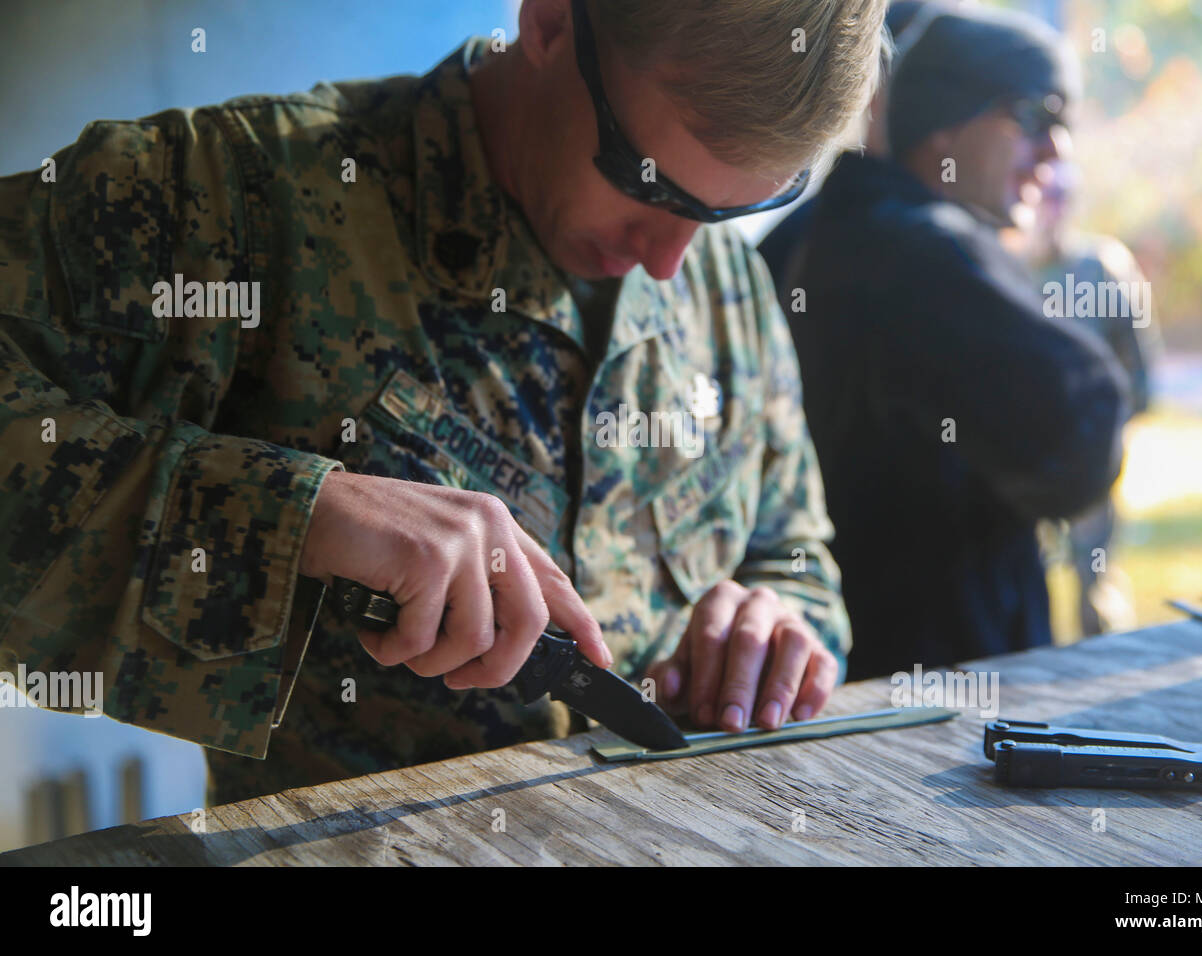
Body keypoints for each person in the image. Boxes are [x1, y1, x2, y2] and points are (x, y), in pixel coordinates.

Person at [0, 0, 885, 804]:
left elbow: (792, 549)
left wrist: (783, 623)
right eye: (647, 181)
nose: (671, 263)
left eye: (738, 210)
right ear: (547, 22)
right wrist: (301, 515)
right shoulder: (236, 202)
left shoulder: (727, 286)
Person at [760, 3, 1130, 681]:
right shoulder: (922, 248)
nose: (1057, 151)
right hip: (938, 691)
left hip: (864, 669)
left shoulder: (828, 230)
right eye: (1035, 115)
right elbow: (1084, 422)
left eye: (1065, 125)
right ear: (944, 124)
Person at [1019, 160, 1163, 636]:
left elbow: (1139, 366)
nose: (1051, 207)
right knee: (1017, 584)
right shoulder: (1005, 266)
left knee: (1095, 590)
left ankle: (1101, 687)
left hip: (1088, 457)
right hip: (1018, 458)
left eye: (1062, 196)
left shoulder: (1101, 266)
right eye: (1045, 195)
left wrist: (1106, 429)